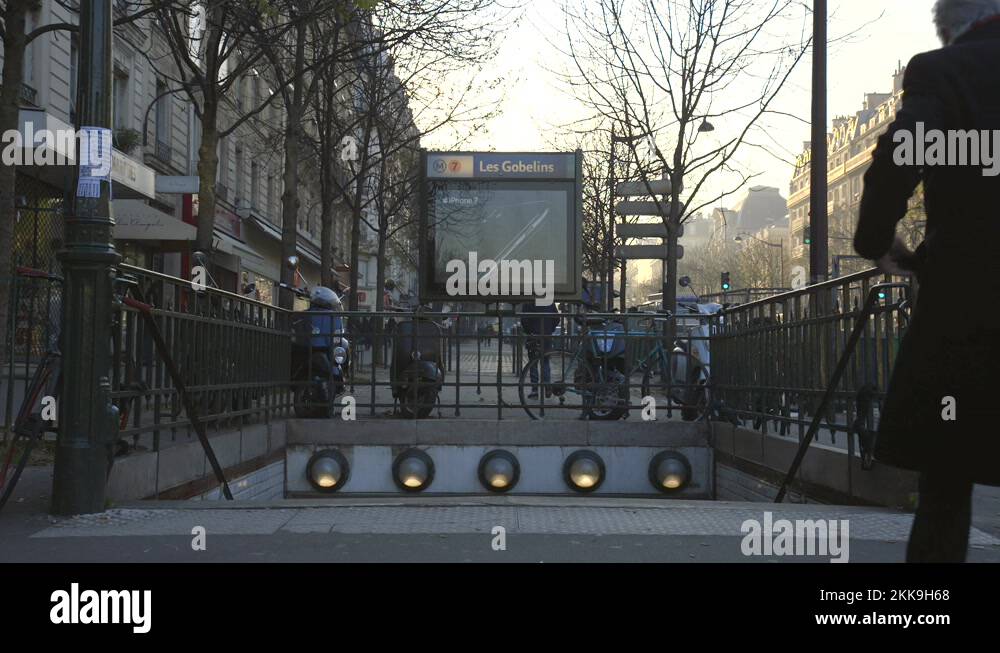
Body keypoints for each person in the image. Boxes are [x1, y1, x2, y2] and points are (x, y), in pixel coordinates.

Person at [853, 0, 1000, 562]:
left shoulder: (945, 72)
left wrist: (876, 241)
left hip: (968, 300)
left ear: (948, 28)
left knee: (946, 477)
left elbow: (898, 157)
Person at [520, 302, 559, 398]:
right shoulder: (549, 301)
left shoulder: (529, 300)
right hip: (546, 335)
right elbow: (557, 318)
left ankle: (535, 390)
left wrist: (529, 331)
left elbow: (524, 319)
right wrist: (550, 329)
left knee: (533, 363)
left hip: (533, 335)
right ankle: (547, 387)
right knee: (545, 362)